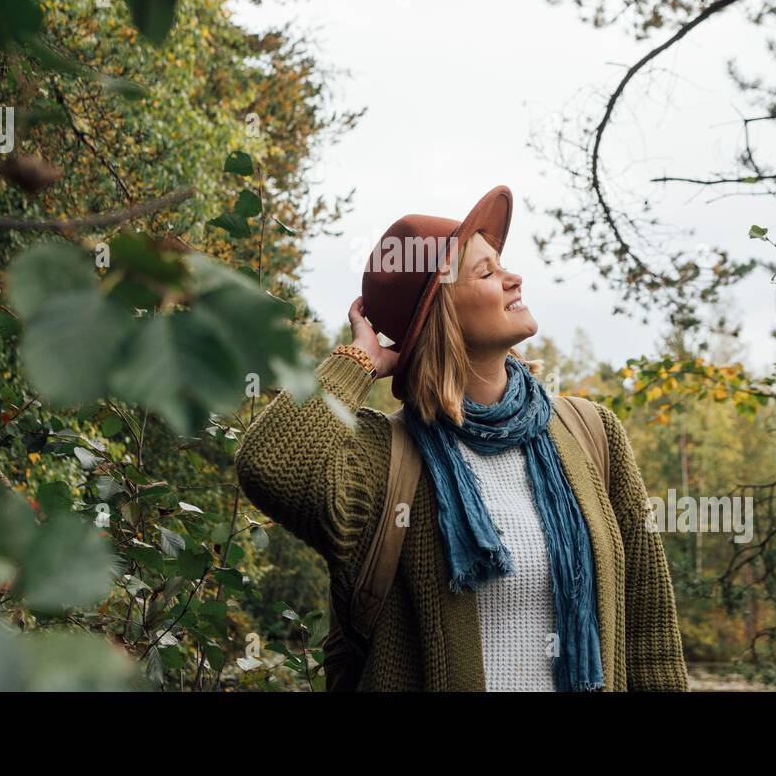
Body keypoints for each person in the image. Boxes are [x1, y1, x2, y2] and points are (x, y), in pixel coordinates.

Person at [236, 184, 689, 691]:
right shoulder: (384, 457)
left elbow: (651, 637)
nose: (515, 278)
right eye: (487, 272)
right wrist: (362, 360)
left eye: (502, 264)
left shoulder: (591, 433)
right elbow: (270, 462)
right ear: (441, 315)